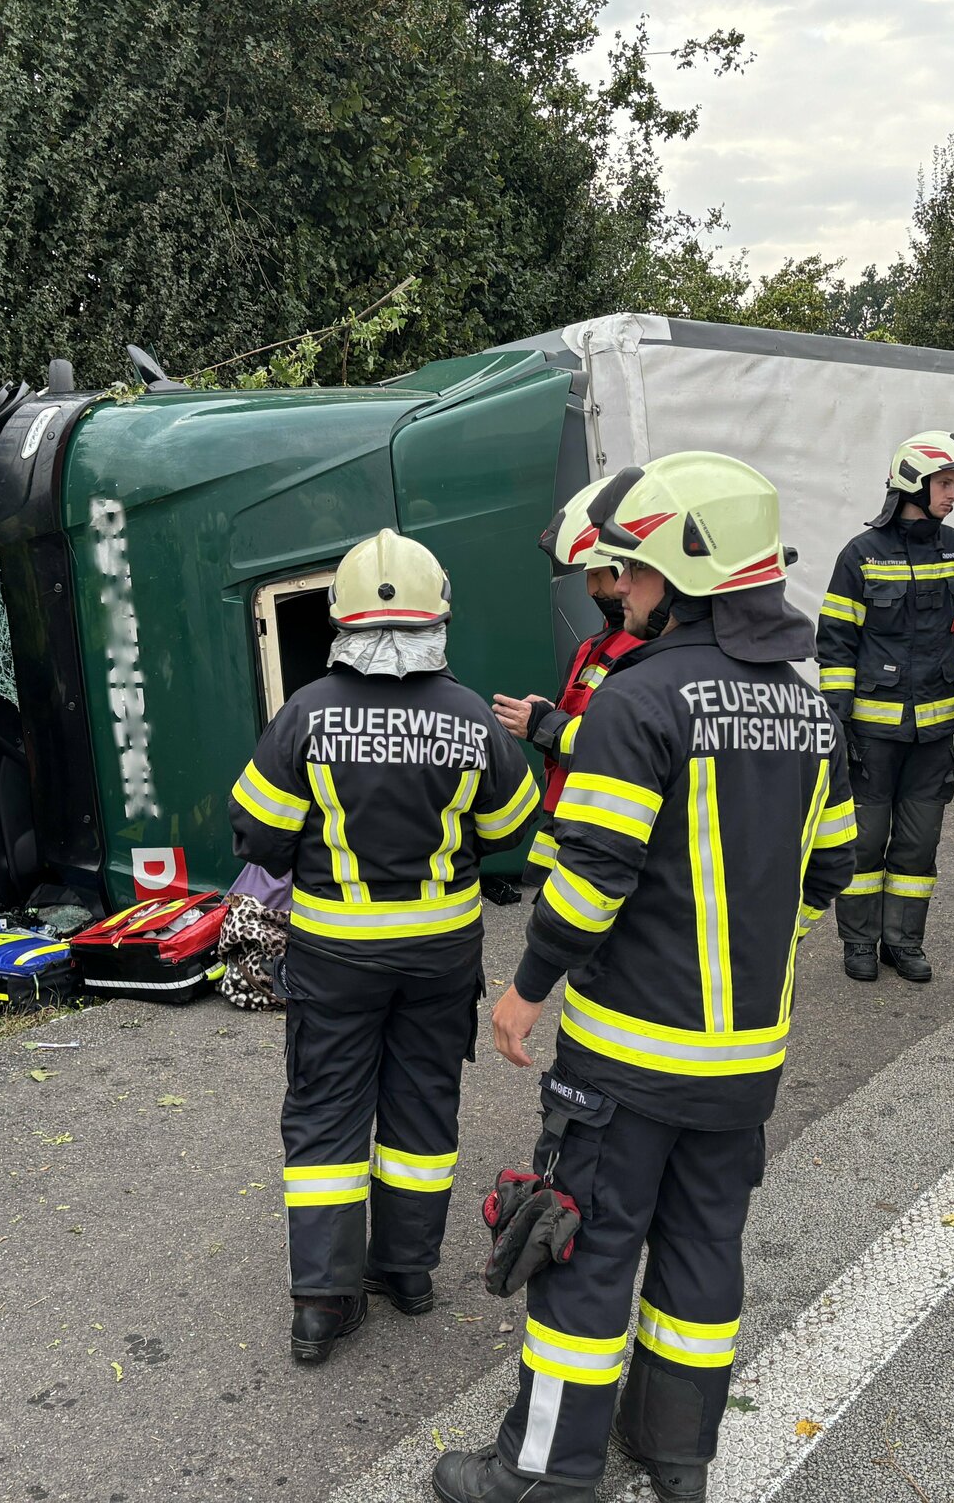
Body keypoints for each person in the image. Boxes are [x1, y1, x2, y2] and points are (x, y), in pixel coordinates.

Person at [433, 453, 856, 1503]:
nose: (615, 588)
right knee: (703, 1258)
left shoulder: (637, 699)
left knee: (576, 1250)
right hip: (744, 1059)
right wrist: (754, 946)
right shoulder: (810, 714)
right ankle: (675, 1455)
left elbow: (592, 880)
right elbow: (831, 870)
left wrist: (527, 987)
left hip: (624, 1059)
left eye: (628, 571)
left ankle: (542, 1476)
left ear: (681, 569)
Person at [229, 528, 539, 1365]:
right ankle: (406, 1273)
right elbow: (511, 828)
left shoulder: (304, 714)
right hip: (440, 957)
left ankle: (322, 1305)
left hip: (335, 960)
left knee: (327, 1115)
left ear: (340, 618)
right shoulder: (472, 715)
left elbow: (256, 837)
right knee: (422, 1113)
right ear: (440, 614)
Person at [817, 431, 954, 983]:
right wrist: (837, 720)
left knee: (919, 844)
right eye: (945, 483)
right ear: (912, 482)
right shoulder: (860, 554)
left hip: (933, 734)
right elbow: (836, 641)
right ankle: (860, 942)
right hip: (871, 735)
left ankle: (904, 942)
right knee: (865, 843)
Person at [491, 480, 643, 884]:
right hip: (568, 828)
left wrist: (544, 725)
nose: (593, 588)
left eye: (600, 574)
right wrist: (547, 717)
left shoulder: (652, 654)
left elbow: (620, 743)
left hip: (603, 832)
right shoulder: (593, 647)